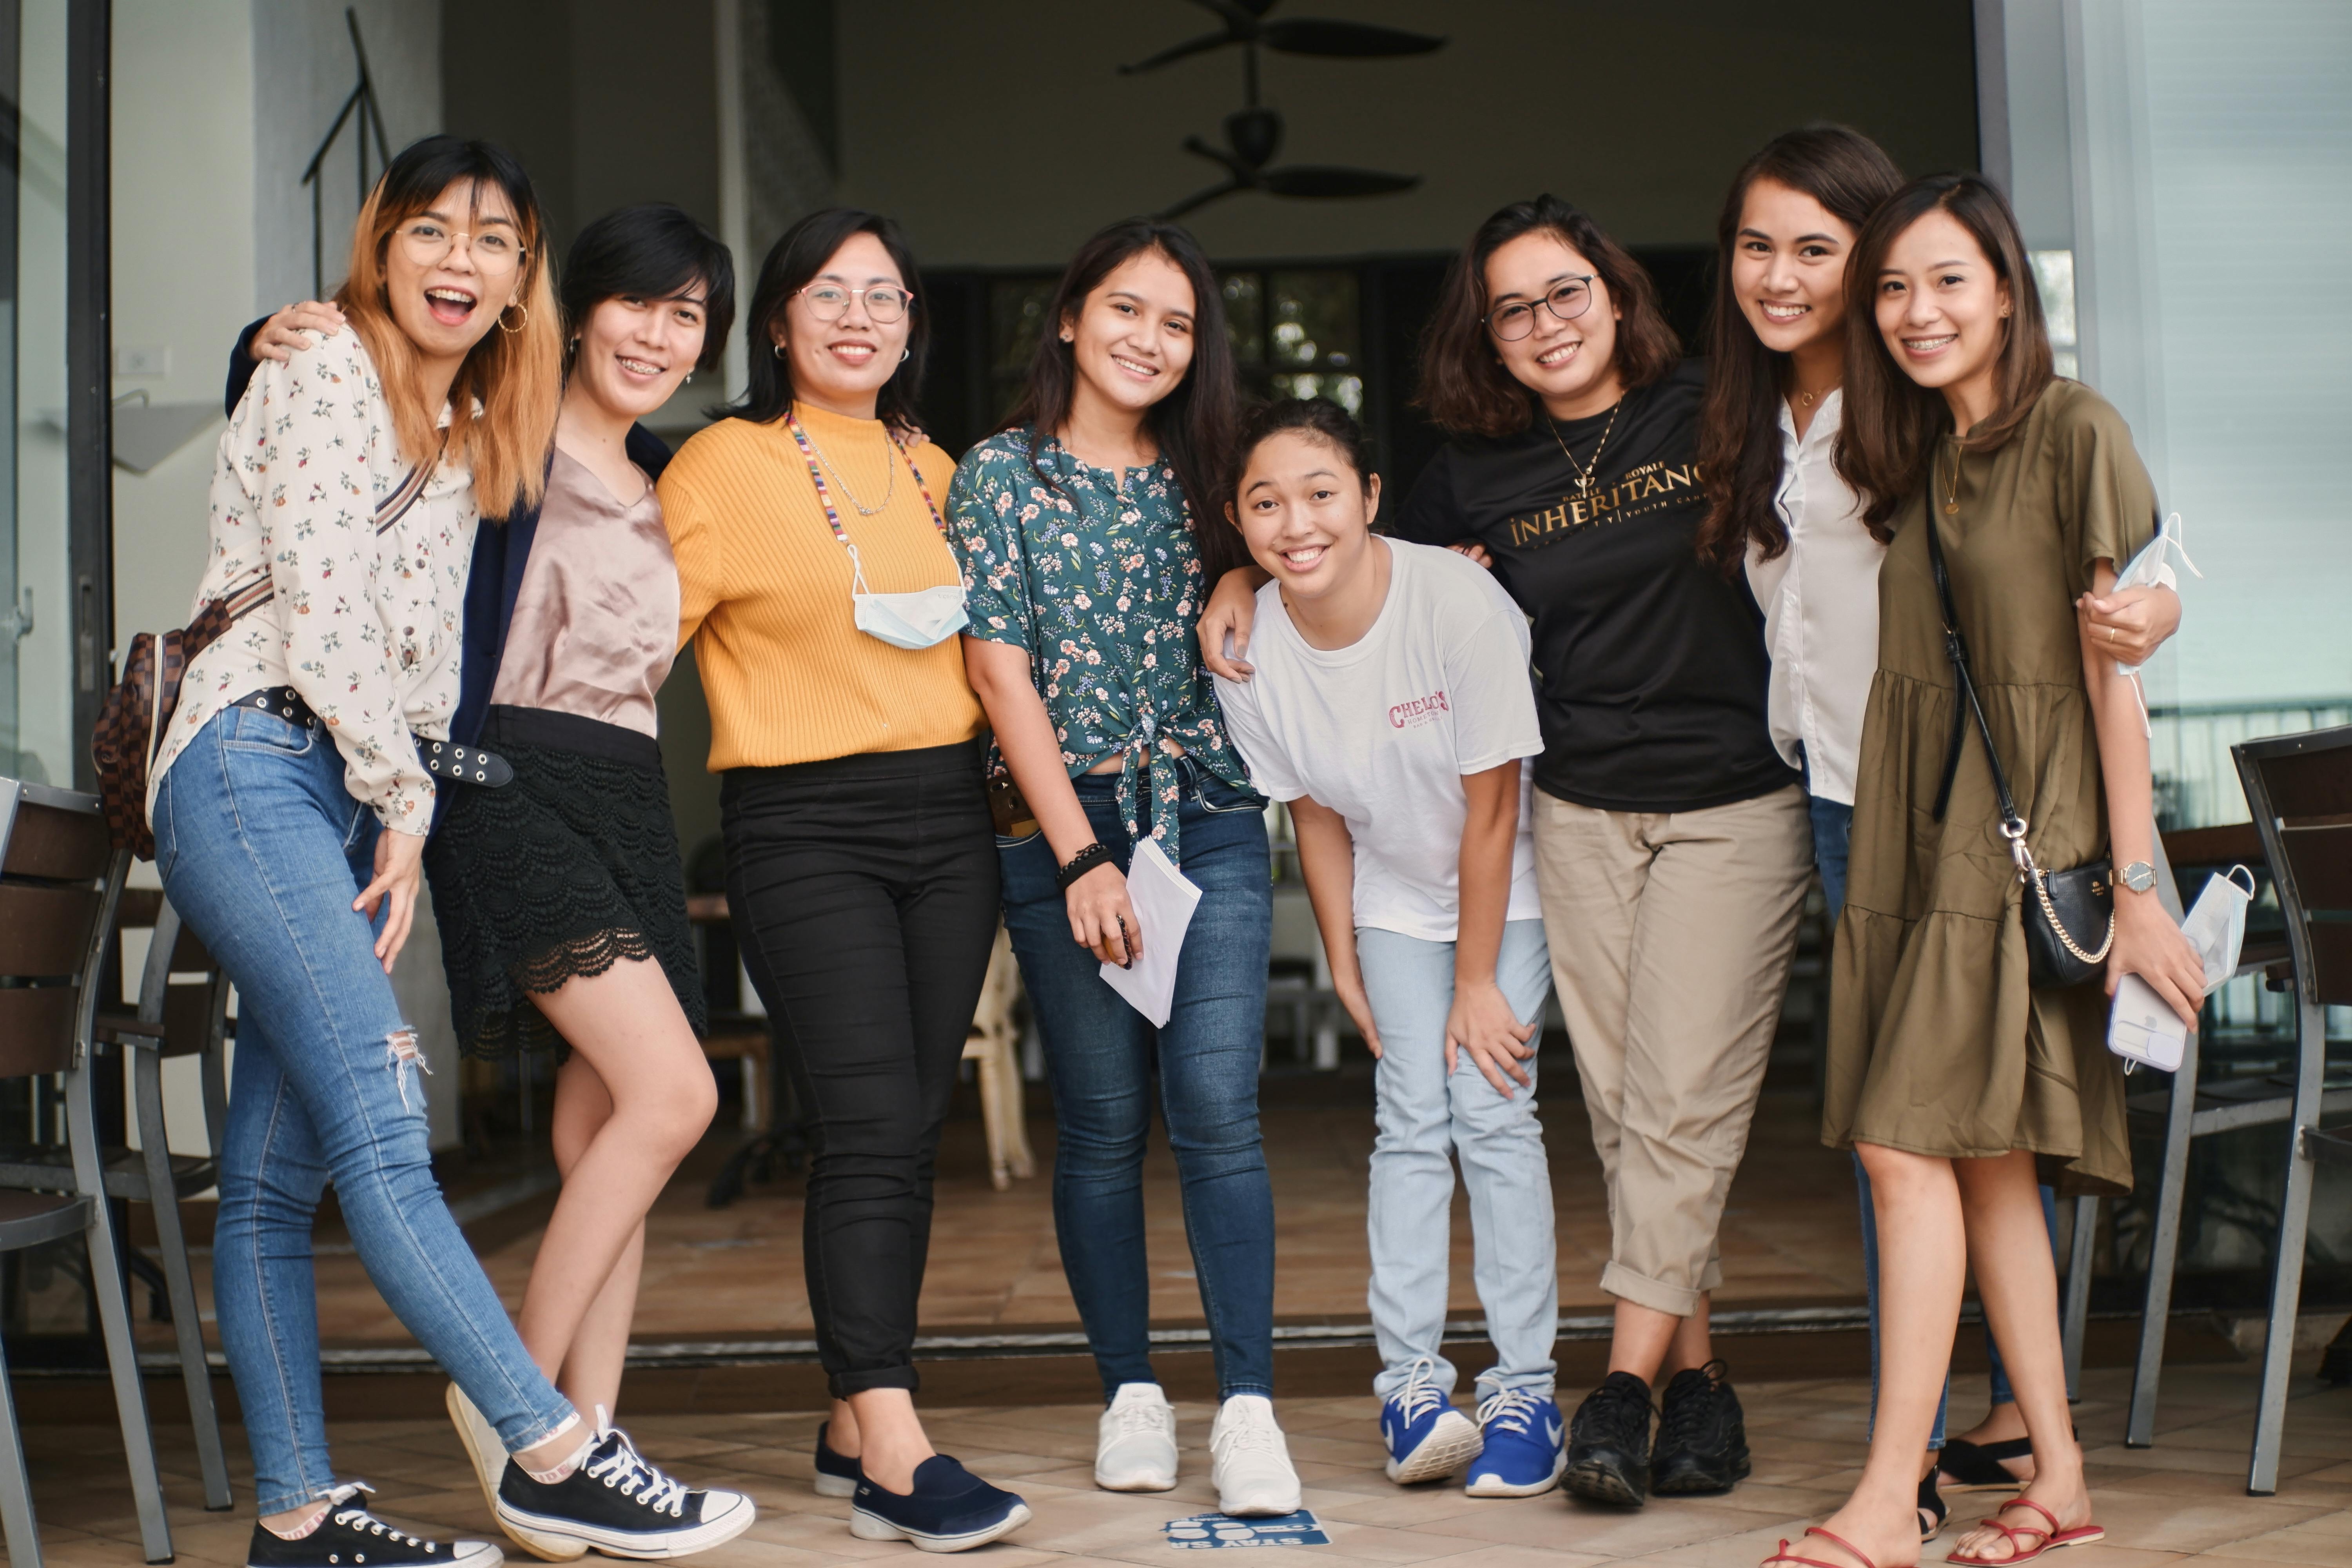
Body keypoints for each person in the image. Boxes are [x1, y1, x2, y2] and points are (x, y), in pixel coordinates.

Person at [152, 136, 738, 1568]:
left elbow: (426, 647)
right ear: (380, 243)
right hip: (257, 758)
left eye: (491, 241)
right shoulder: (321, 369)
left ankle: (299, 1515)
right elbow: (323, 601)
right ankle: (549, 1450)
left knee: (277, 1175)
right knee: (384, 1123)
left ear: (523, 277)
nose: (458, 261)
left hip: (349, 799)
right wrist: (408, 804)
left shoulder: (476, 427)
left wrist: (390, 807)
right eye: (430, 231)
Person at [1206, 195, 1802, 1509]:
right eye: (1512, 309)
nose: (1544, 323)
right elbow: (1335, 553)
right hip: (1579, 805)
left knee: (1662, 1103)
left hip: (1715, 797)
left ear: (1616, 292)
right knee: (1630, 1114)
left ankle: (1598, 1386)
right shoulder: (1475, 472)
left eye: (1565, 292)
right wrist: (1240, 581)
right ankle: (1685, 1383)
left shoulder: (1716, 407)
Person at [1690, 129, 2182, 1541]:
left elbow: (2116, 662)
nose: (1918, 311)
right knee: (1982, 1161)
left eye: (1948, 281)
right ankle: (2061, 1479)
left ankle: (1883, 1497)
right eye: (1896, 288)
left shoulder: (2072, 428)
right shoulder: (1920, 448)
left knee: (1902, 1150)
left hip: (2008, 826)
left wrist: (2136, 885)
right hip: (1909, 818)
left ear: (2008, 290)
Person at [657, 207, 1030, 1553]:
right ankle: (897, 1449)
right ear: (777, 321)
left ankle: (845, 1420)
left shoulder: (945, 470)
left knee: (906, 1126)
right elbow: (630, 649)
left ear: (913, 322)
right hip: (803, 825)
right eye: (829, 292)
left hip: (951, 826)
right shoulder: (719, 463)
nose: (860, 317)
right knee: (869, 1125)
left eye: (885, 295)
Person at [948, 218, 1297, 1517]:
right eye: (1126, 310)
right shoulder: (999, 474)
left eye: (1178, 323)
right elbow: (1000, 675)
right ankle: (1131, 1392)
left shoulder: (1216, 470)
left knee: (1215, 1107)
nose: (1150, 340)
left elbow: (1314, 541)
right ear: (1070, 317)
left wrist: (1244, 574)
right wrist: (1081, 852)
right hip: (1066, 819)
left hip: (1208, 813)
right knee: (1100, 1120)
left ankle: (1249, 1408)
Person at [1209, 399, 1566, 1498]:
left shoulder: (1455, 601)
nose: (1297, 524)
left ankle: (1524, 1391)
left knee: (1493, 1111)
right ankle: (1412, 1389)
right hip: (1396, 899)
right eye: (1267, 504)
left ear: (1368, 497)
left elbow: (1496, 807)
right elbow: (1314, 815)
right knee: (1410, 1116)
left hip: (1510, 889)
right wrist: (1346, 962)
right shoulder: (1251, 649)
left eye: (1321, 494)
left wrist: (1475, 983)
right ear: (1239, 521)